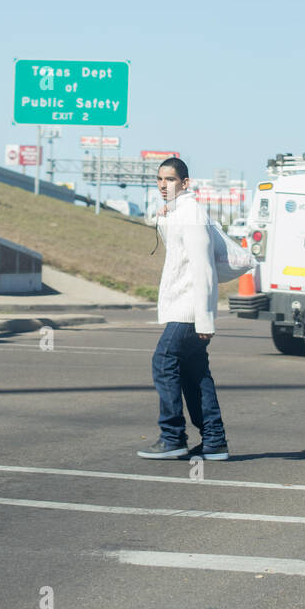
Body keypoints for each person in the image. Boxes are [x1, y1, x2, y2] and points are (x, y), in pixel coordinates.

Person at [136, 157, 230, 461]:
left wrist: (205, 320)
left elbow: (204, 268)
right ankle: (214, 440)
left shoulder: (192, 214)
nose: (164, 185)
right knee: (195, 373)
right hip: (185, 307)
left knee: (164, 362)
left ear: (185, 183)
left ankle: (172, 436)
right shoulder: (179, 212)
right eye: (160, 180)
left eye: (171, 180)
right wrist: (162, 216)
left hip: (190, 309)